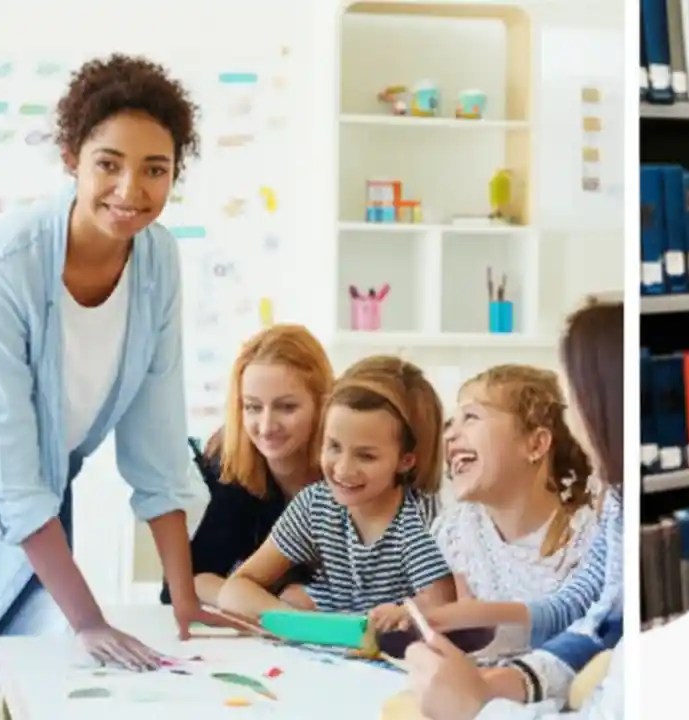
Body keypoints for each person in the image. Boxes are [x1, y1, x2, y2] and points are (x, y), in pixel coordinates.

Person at [0, 54, 234, 677]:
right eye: (108, 164)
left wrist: (185, 603)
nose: (131, 191)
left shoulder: (157, 262)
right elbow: (10, 473)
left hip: (41, 497)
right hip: (18, 491)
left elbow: (156, 446)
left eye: (155, 169)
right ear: (72, 157)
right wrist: (90, 620)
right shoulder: (8, 264)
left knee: (27, 676)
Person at [406, 300, 625, 720]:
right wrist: (506, 683)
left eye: (470, 417)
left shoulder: (594, 519)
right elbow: (591, 614)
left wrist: (484, 701)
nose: (451, 435)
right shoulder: (617, 502)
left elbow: (588, 620)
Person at [217, 355, 456, 625]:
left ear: (405, 460)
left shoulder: (420, 517)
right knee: (296, 598)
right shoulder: (315, 505)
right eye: (333, 447)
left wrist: (403, 615)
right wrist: (299, 620)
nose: (342, 470)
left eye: (365, 456)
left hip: (394, 646)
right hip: (330, 636)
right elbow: (234, 590)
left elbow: (441, 603)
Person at [430, 364, 600, 659]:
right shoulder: (452, 532)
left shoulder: (590, 537)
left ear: (535, 444)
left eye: (470, 417)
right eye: (450, 423)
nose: (448, 436)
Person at [157, 323, 334, 606]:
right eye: (252, 407)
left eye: (287, 407)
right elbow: (183, 581)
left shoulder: (347, 469)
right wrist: (256, 602)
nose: (266, 427)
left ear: (323, 405)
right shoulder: (225, 466)